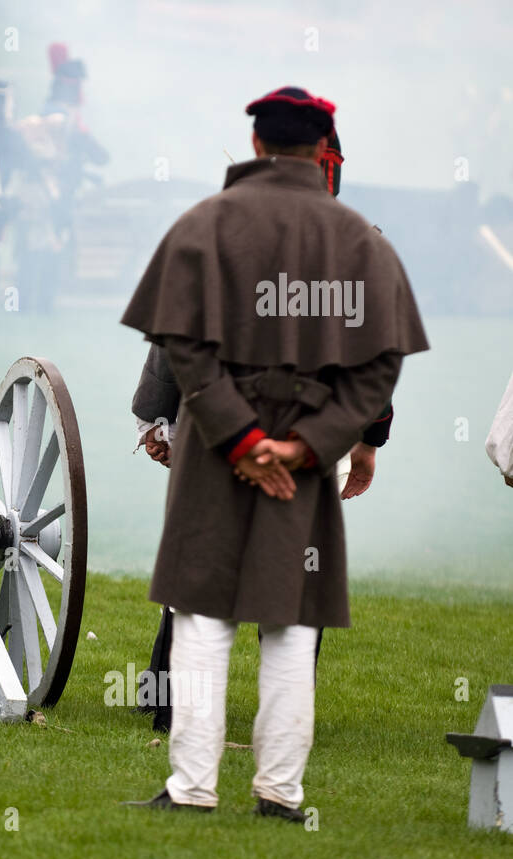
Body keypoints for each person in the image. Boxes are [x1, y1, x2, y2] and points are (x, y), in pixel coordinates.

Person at [120, 87, 428, 819]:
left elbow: (182, 348)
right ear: (325, 152)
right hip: (308, 456)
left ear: (257, 144)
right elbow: (379, 368)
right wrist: (307, 445)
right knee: (292, 619)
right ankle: (281, 793)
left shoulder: (204, 224)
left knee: (201, 613)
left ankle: (193, 787)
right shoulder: (361, 240)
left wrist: (244, 438)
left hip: (214, 448)